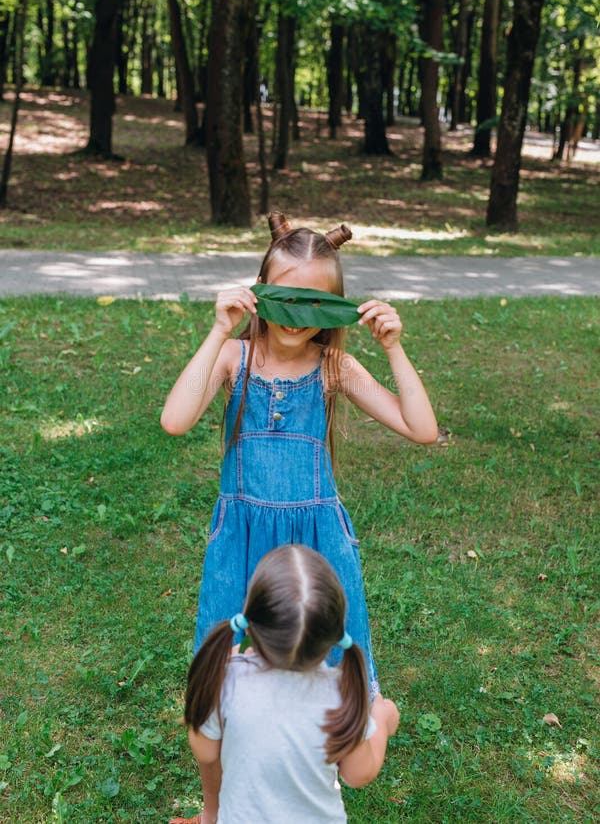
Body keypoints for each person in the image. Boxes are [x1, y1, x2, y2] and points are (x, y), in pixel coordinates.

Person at [160, 211, 438, 698]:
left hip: (317, 545)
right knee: (226, 678)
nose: (294, 315)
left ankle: (319, 759)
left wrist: (394, 349)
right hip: (242, 544)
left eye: (313, 302)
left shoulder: (335, 367)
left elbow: (422, 428)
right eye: (282, 297)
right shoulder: (232, 358)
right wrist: (218, 331)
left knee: (323, 675)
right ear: (258, 291)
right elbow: (175, 419)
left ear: (331, 308)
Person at [181, 544, 400, 824]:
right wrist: (381, 720)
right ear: (332, 638)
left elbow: (205, 750)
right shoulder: (340, 693)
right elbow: (358, 774)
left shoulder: (226, 679)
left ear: (249, 623)